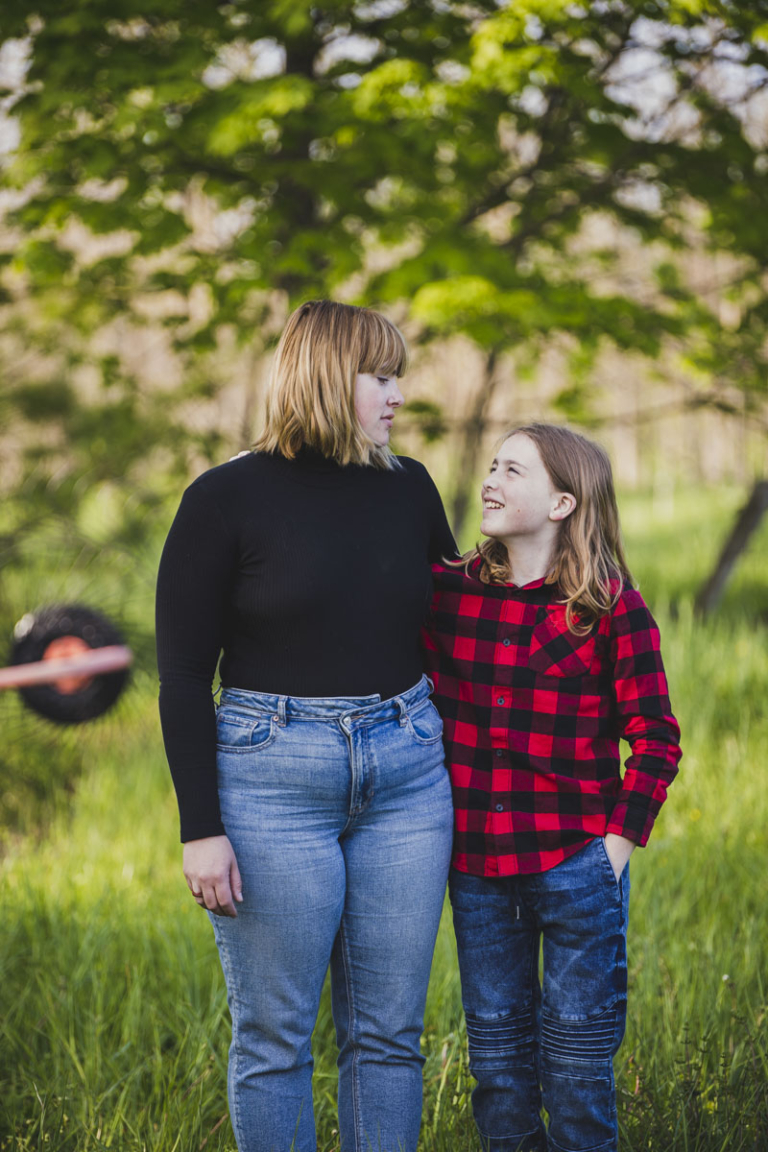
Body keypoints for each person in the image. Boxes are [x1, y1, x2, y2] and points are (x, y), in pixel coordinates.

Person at [155, 300, 456, 1152]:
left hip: (405, 772)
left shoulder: (410, 486)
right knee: (274, 1040)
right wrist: (200, 829)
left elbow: (462, 622)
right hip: (272, 780)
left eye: (399, 375)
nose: (398, 394)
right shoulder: (223, 498)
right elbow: (181, 678)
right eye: (382, 376)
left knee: (390, 1037)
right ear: (328, 377)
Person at [422, 423, 681, 1152]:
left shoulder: (609, 609)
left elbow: (657, 736)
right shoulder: (450, 594)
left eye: (513, 471)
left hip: (576, 865)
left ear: (564, 502)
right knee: (499, 1069)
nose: (490, 480)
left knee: (577, 1065)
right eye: (492, 465)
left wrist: (615, 852)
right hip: (477, 872)